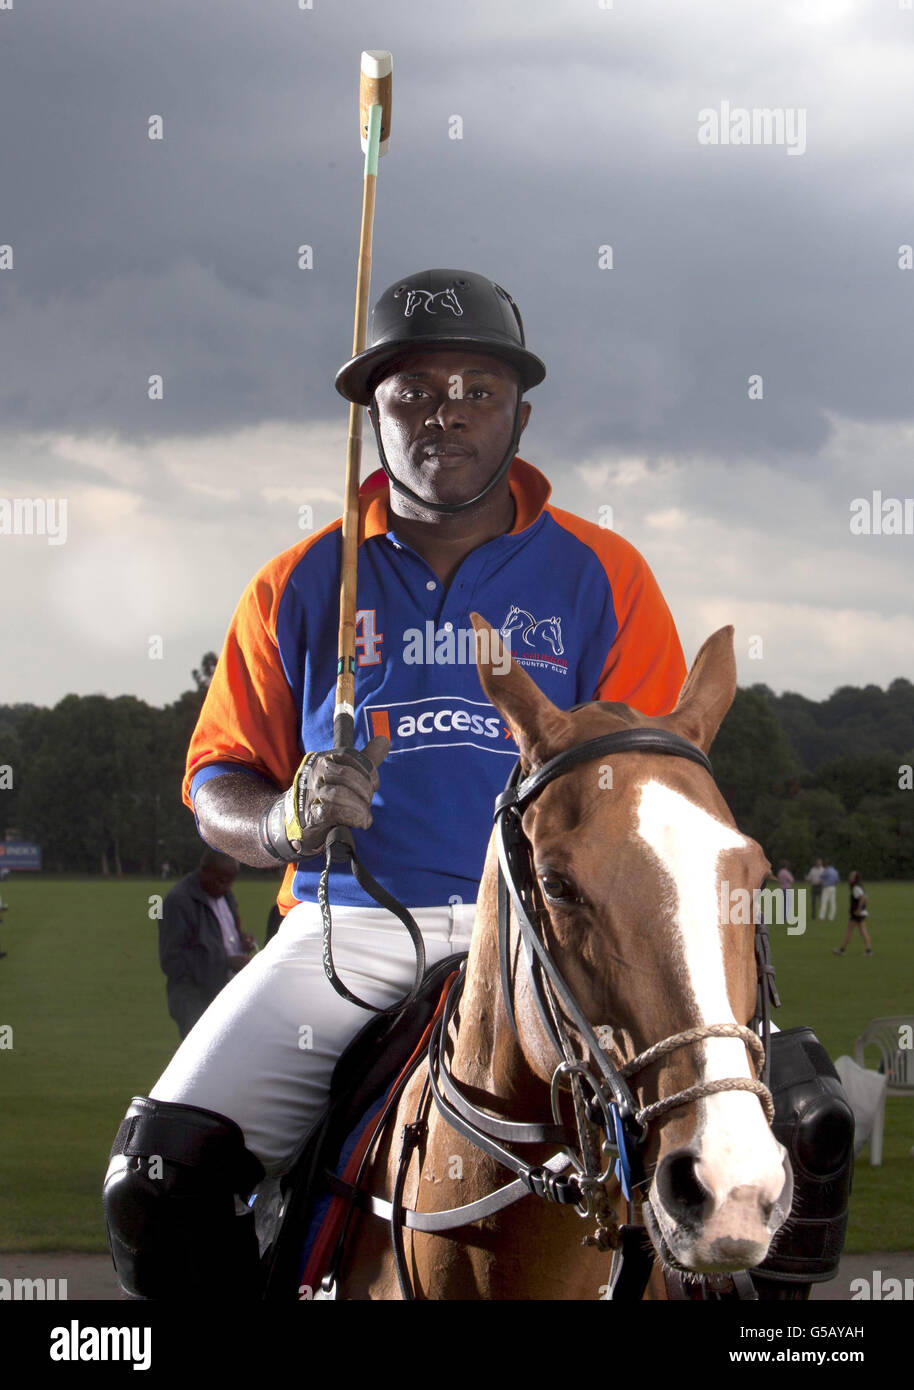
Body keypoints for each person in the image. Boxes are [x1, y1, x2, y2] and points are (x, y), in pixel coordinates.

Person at [103, 267, 851, 1301]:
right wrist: (282, 816)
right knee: (152, 1180)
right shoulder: (297, 582)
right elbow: (215, 784)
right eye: (410, 390)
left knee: (799, 1127)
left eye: (476, 389)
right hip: (344, 933)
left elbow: (658, 792)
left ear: (520, 414)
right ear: (370, 416)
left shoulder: (601, 575)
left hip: (567, 937)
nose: (443, 413)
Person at [158, 848, 258, 1039]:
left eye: (231, 880)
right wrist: (227, 961)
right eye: (221, 879)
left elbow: (220, 937)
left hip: (226, 991)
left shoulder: (225, 895)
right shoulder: (178, 902)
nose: (227, 886)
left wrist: (241, 940)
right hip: (194, 998)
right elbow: (171, 961)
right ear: (205, 870)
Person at [832, 870, 873, 956]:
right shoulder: (859, 887)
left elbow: (862, 898)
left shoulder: (856, 888)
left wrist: (858, 909)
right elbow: (866, 899)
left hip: (856, 914)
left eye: (851, 877)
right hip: (860, 913)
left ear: (855, 878)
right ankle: (868, 950)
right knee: (861, 931)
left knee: (851, 931)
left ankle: (842, 950)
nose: (849, 878)